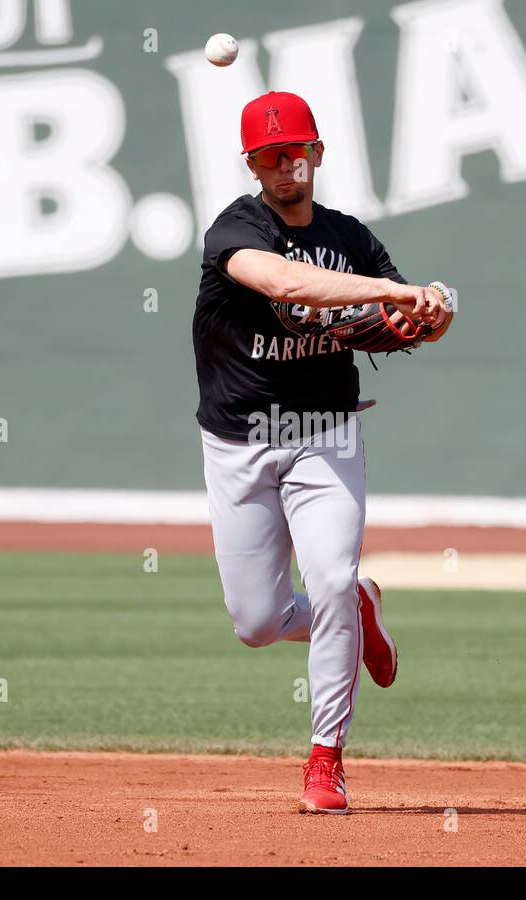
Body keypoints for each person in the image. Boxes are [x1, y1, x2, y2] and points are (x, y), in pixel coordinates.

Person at [191, 91, 451, 812]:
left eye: (295, 150)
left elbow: (402, 324)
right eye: (270, 155)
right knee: (257, 623)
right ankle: (359, 609)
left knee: (330, 578)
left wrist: (429, 314)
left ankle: (325, 760)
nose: (285, 165)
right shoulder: (235, 228)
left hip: (323, 434)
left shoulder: (352, 236)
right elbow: (283, 281)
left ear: (317, 154)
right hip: (240, 440)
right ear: (253, 164)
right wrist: (392, 290)